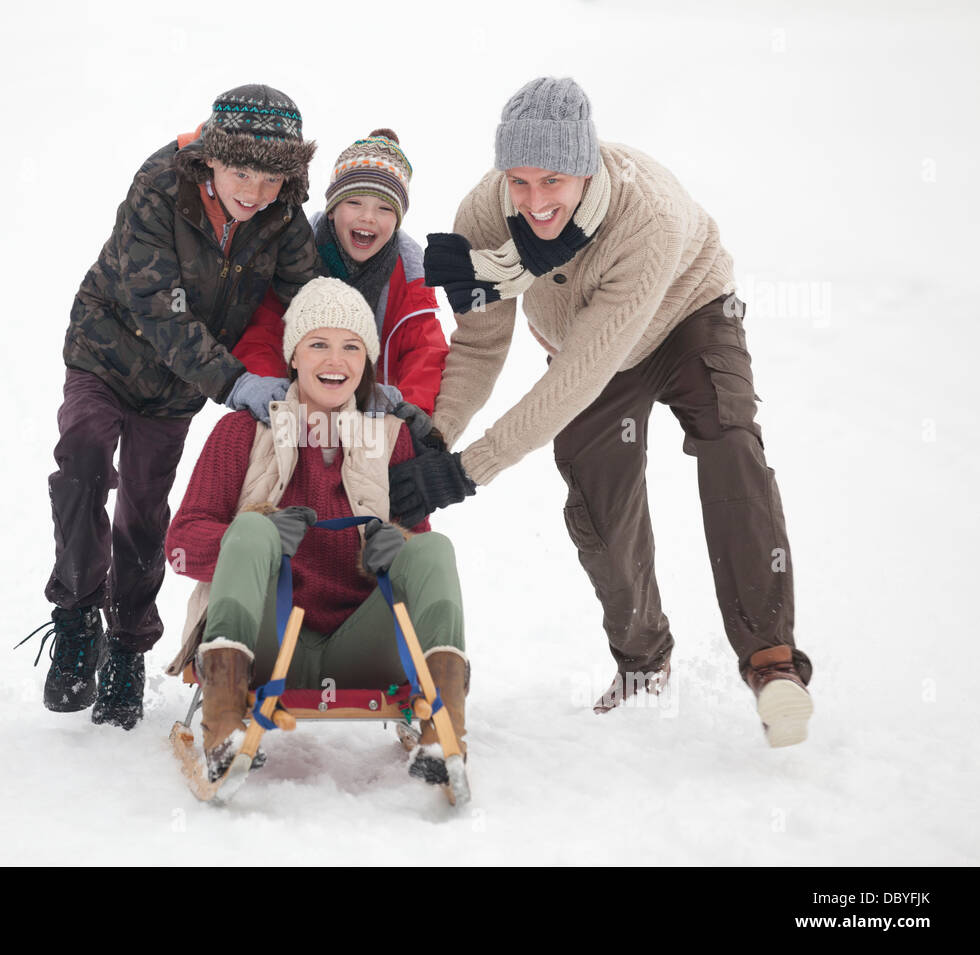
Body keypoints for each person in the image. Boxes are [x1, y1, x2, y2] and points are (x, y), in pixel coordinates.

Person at [394, 77, 813, 747]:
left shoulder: (647, 216)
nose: (534, 202)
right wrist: (433, 444)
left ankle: (772, 662)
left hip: (690, 315)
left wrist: (472, 470)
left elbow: (586, 371)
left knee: (729, 442)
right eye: (520, 181)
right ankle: (643, 661)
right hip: (580, 340)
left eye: (553, 181)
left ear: (586, 169)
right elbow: (480, 345)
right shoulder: (483, 213)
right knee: (596, 486)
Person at [29, 84, 319, 728]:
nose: (255, 190)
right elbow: (158, 305)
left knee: (143, 508)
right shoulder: (160, 186)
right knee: (81, 458)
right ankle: (76, 615)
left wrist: (334, 365)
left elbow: (306, 296)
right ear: (211, 161)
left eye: (272, 177)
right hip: (107, 353)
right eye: (241, 171)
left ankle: (128, 648)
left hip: (176, 391)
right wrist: (235, 381)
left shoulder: (282, 214)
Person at [164, 278, 469, 784]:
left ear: (367, 362)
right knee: (251, 529)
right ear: (294, 357)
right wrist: (256, 542)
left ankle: (446, 730)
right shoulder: (240, 431)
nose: (336, 361)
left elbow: (419, 562)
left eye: (352, 347)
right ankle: (222, 724)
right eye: (319, 344)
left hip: (362, 648)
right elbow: (178, 547)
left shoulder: (390, 438)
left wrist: (397, 545)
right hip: (261, 642)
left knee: (433, 548)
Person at [228, 129, 448, 416]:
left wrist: (410, 411)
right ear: (332, 210)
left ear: (397, 220)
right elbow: (265, 328)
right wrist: (271, 390)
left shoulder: (409, 275)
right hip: (296, 405)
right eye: (354, 203)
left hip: (370, 413)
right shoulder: (296, 255)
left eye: (384, 208)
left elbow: (424, 352)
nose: (367, 217)